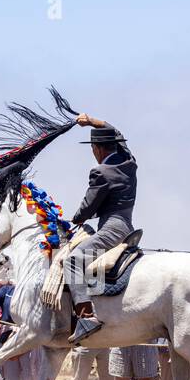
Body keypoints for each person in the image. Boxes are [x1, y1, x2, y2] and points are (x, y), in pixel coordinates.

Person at [66, 115, 138, 343]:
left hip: (111, 228)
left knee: (74, 260)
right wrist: (93, 121)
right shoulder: (130, 162)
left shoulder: (101, 172)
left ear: (97, 149)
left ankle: (86, 317)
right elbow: (116, 134)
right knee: (93, 263)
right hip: (128, 226)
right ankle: (102, 305)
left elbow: (87, 209)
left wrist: (74, 219)